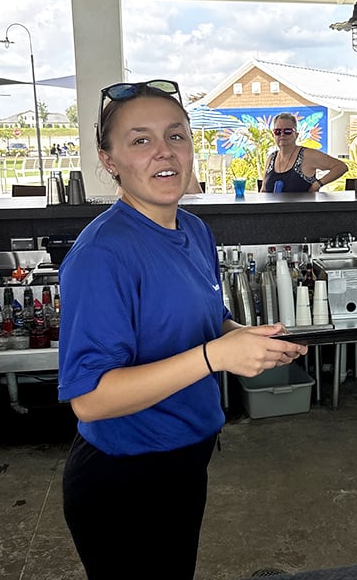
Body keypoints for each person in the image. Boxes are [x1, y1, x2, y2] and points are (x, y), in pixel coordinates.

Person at [57, 79, 307, 580]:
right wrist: (216, 357)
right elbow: (90, 398)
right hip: (124, 478)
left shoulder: (193, 229)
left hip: (185, 456)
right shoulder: (102, 254)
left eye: (177, 135)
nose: (164, 152)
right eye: (140, 140)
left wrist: (243, 337)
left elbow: (204, 322)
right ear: (109, 161)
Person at [261, 111, 348, 193]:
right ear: (273, 135)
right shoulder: (271, 158)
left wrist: (317, 184)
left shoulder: (307, 155)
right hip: (274, 209)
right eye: (278, 131)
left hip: (302, 208)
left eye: (287, 131)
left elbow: (341, 167)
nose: (282, 135)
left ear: (296, 134)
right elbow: (263, 190)